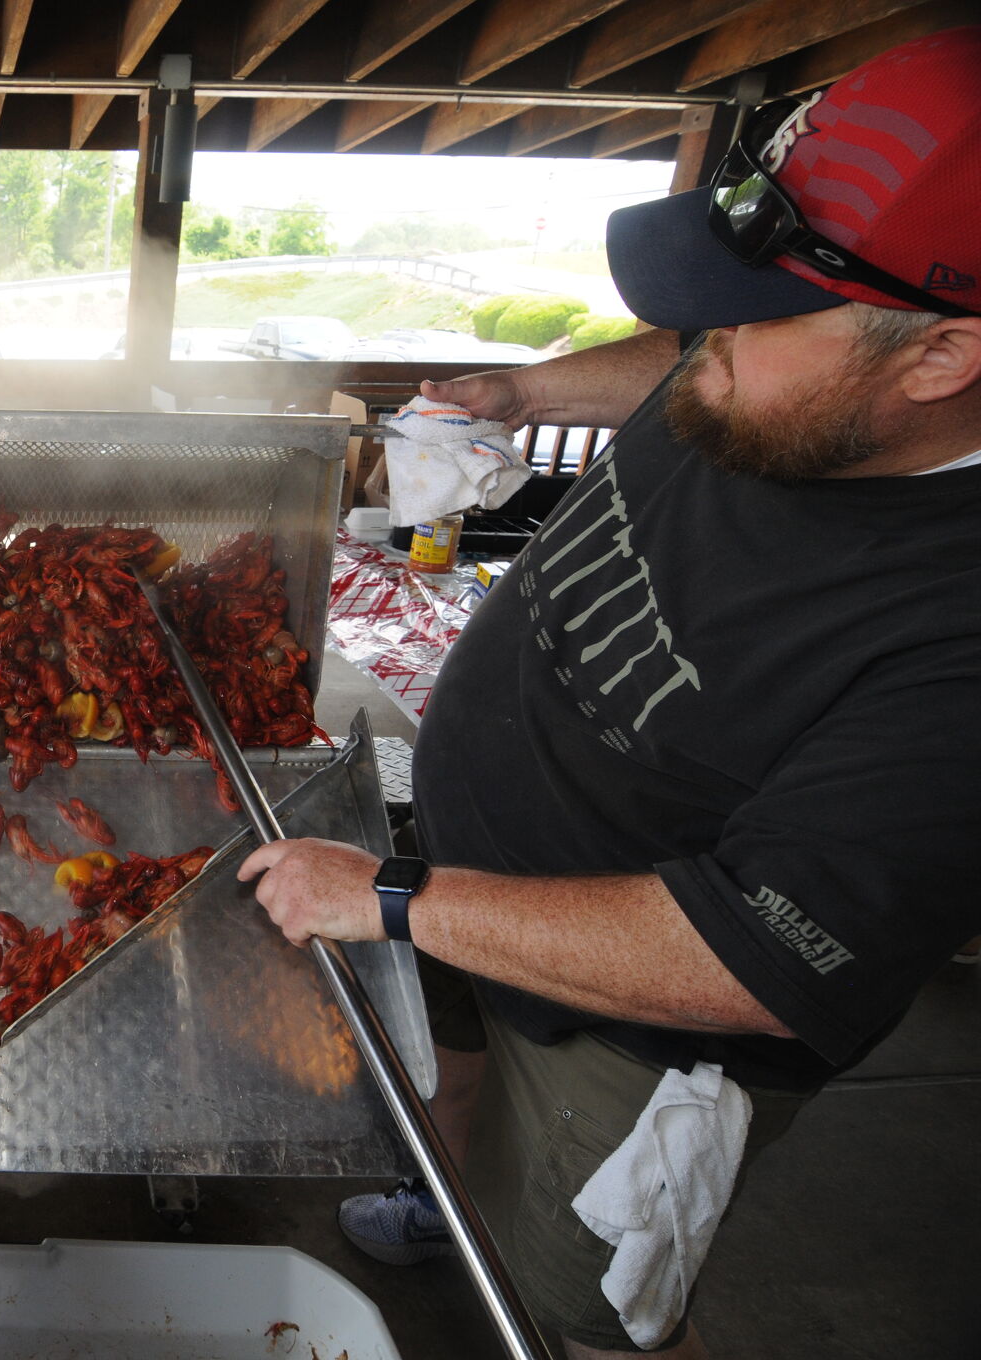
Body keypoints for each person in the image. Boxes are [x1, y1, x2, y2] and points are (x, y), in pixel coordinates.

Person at [238, 28, 981, 1359]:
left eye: (757, 327)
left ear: (940, 360)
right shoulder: (793, 378)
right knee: (451, 1090)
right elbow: (686, 345)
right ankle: (447, 1189)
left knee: (584, 1312)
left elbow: (754, 957)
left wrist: (388, 898)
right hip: (465, 870)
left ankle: (522, 1269)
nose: (707, 353)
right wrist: (524, 387)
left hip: (621, 1039)